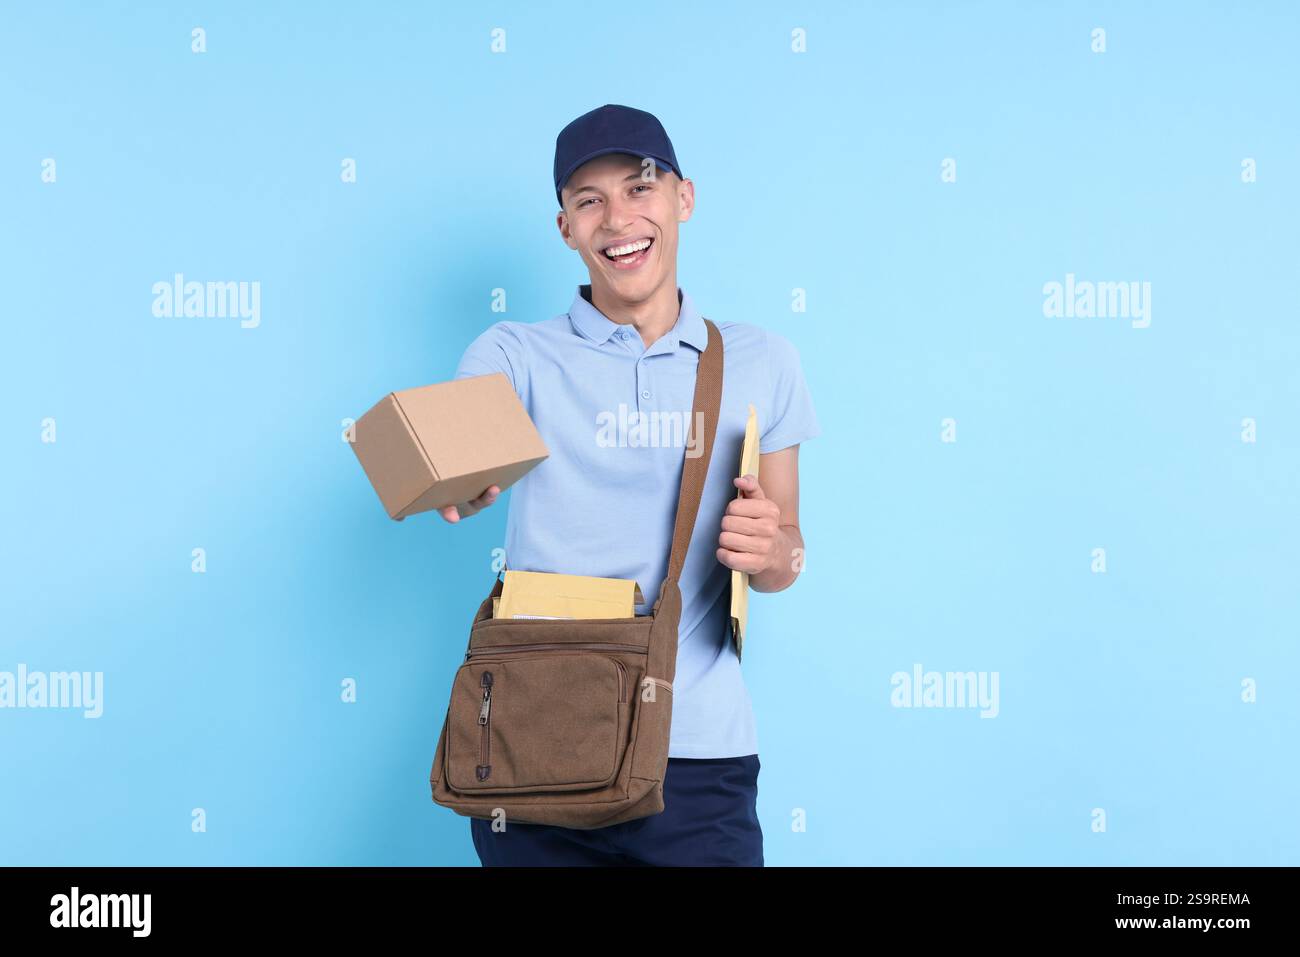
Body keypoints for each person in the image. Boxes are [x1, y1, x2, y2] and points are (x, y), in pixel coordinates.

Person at [443, 104, 820, 866]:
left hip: (699, 759)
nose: (618, 218)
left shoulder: (763, 361)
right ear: (566, 229)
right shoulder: (514, 352)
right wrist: (461, 469)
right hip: (536, 747)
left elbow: (787, 558)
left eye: (640, 188)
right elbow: (462, 440)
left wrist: (772, 549)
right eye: (589, 200)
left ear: (683, 199)